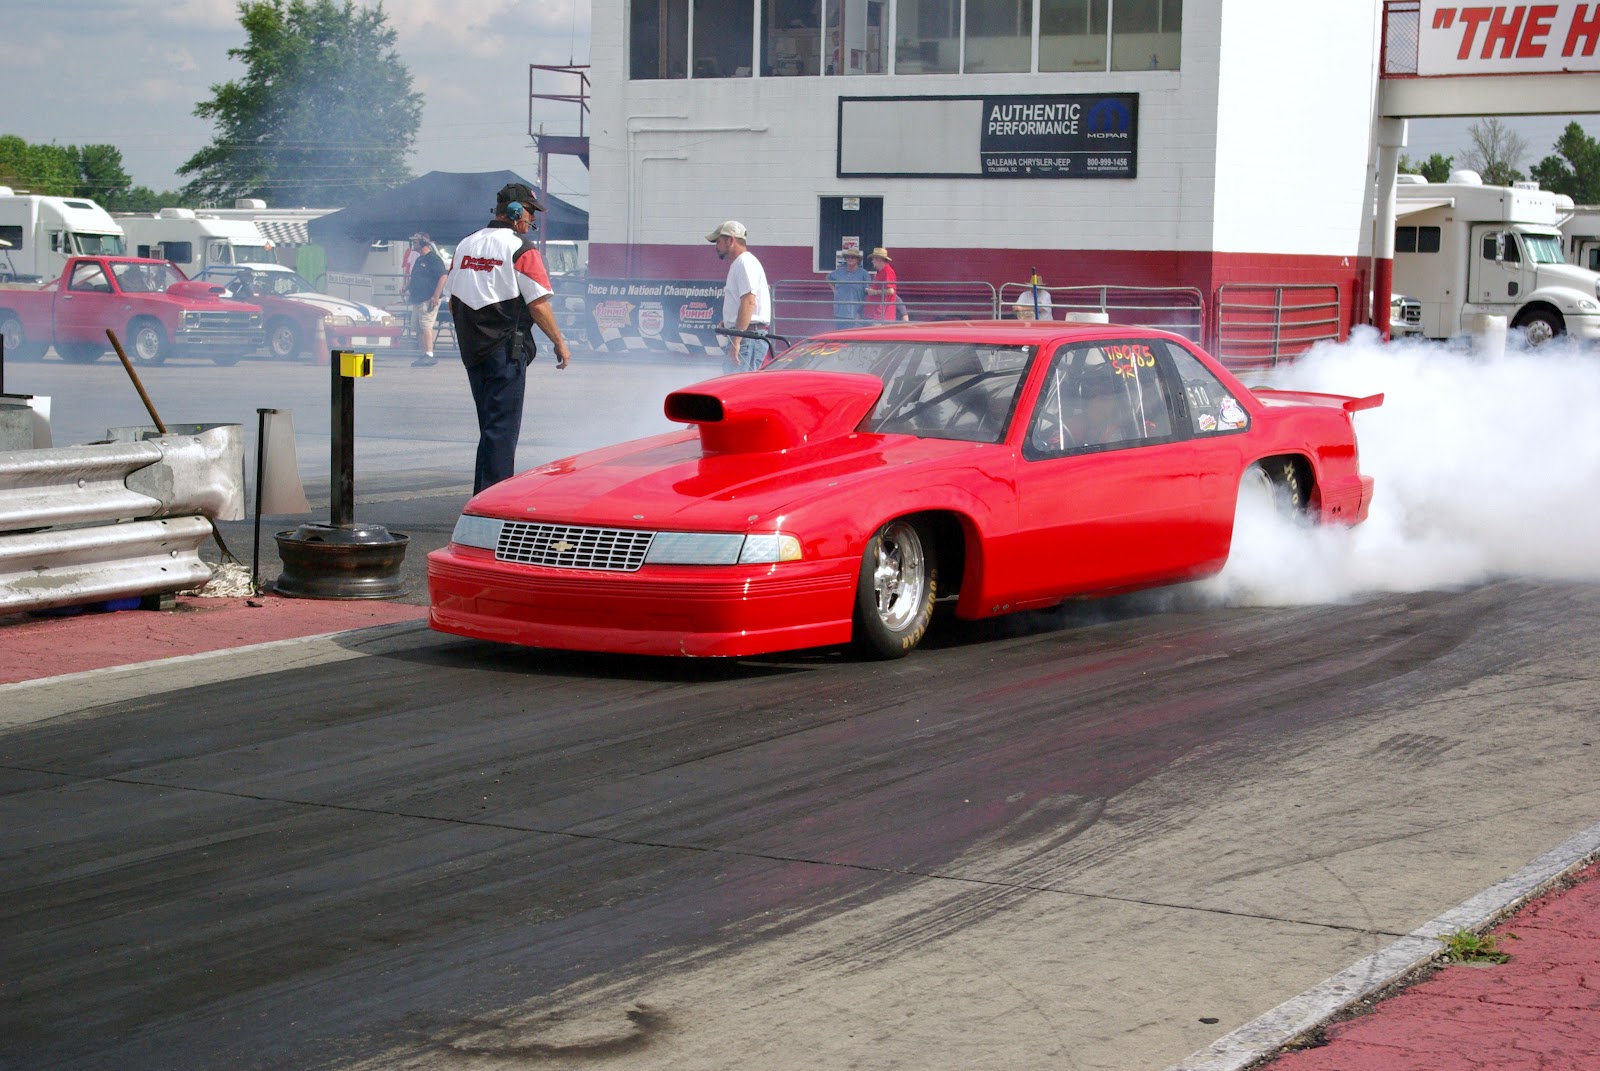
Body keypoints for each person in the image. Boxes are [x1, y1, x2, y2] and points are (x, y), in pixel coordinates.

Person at [447, 182, 572, 494]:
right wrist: (559, 341)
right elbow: (538, 303)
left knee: (489, 427)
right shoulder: (522, 248)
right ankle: (494, 498)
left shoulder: (465, 244)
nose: (531, 220)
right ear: (517, 212)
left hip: (473, 348)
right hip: (505, 350)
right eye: (530, 213)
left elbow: (453, 300)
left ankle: (482, 492)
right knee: (502, 430)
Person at [707, 220, 772, 372]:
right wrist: (730, 322)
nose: (716, 247)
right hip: (746, 336)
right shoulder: (742, 263)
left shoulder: (744, 263)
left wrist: (737, 340)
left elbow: (749, 302)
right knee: (736, 385)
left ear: (731, 240)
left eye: (718, 241)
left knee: (738, 387)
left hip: (746, 338)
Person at [406, 232, 449, 367]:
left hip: (428, 299)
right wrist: (406, 287)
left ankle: (429, 354)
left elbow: (443, 276)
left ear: (424, 243)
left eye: (415, 242)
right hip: (417, 299)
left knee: (426, 326)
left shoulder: (433, 259)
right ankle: (423, 354)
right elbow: (415, 277)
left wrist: (436, 296)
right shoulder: (419, 259)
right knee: (418, 327)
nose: (413, 244)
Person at [825, 248, 872, 328]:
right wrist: (834, 290)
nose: (850, 259)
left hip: (855, 313)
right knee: (839, 336)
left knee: (853, 338)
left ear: (858, 260)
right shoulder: (839, 271)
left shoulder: (864, 274)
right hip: (839, 311)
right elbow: (828, 278)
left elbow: (868, 293)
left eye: (853, 257)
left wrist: (860, 312)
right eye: (848, 257)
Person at [864, 246, 901, 321]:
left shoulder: (887, 271)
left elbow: (891, 291)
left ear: (879, 259)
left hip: (882, 314)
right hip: (878, 312)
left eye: (873, 259)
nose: (872, 261)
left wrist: (874, 292)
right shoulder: (882, 271)